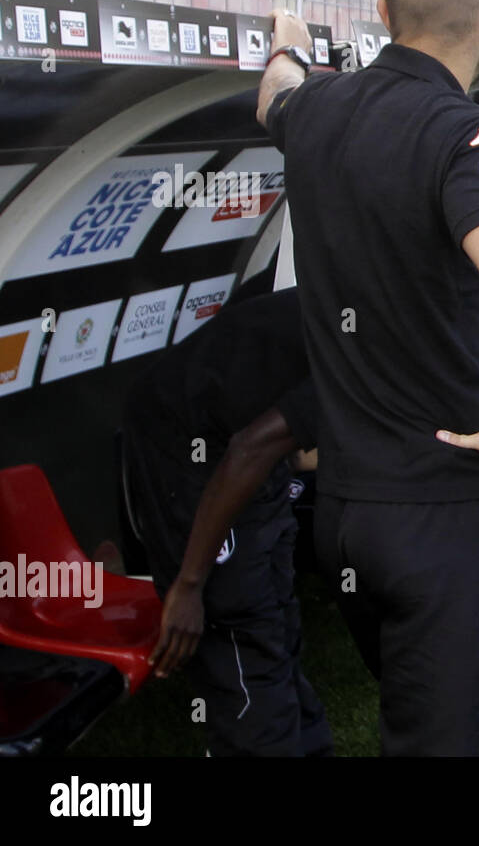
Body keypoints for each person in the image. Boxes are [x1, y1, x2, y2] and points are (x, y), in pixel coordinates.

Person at [257, 0, 479, 755]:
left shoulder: (313, 107)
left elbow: (274, 89)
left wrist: (288, 43)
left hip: (349, 518)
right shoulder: (470, 134)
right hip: (449, 519)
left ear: (384, 11)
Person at [122, 288, 332, 756]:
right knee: (236, 616)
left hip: (250, 438)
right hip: (191, 438)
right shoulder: (371, 342)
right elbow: (250, 448)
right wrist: (191, 584)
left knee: (274, 604)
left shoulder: (404, 320)